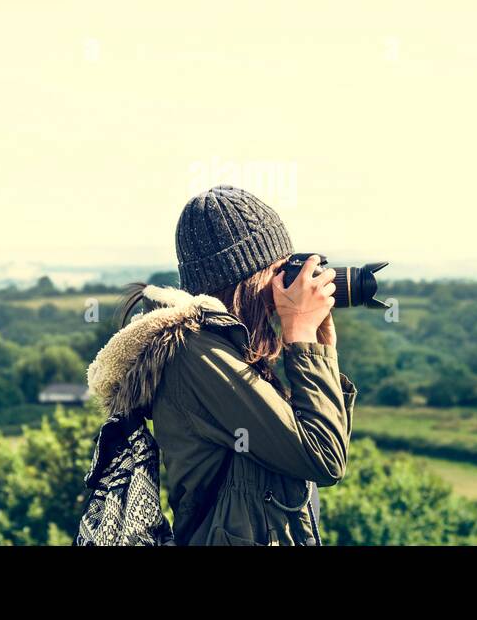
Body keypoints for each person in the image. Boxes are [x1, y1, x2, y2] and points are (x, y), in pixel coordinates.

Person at [87, 185, 356, 545]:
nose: (286, 286)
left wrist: (320, 349)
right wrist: (302, 336)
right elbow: (322, 457)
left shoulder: (227, 349)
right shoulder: (197, 355)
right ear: (247, 276)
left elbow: (317, 445)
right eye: (280, 271)